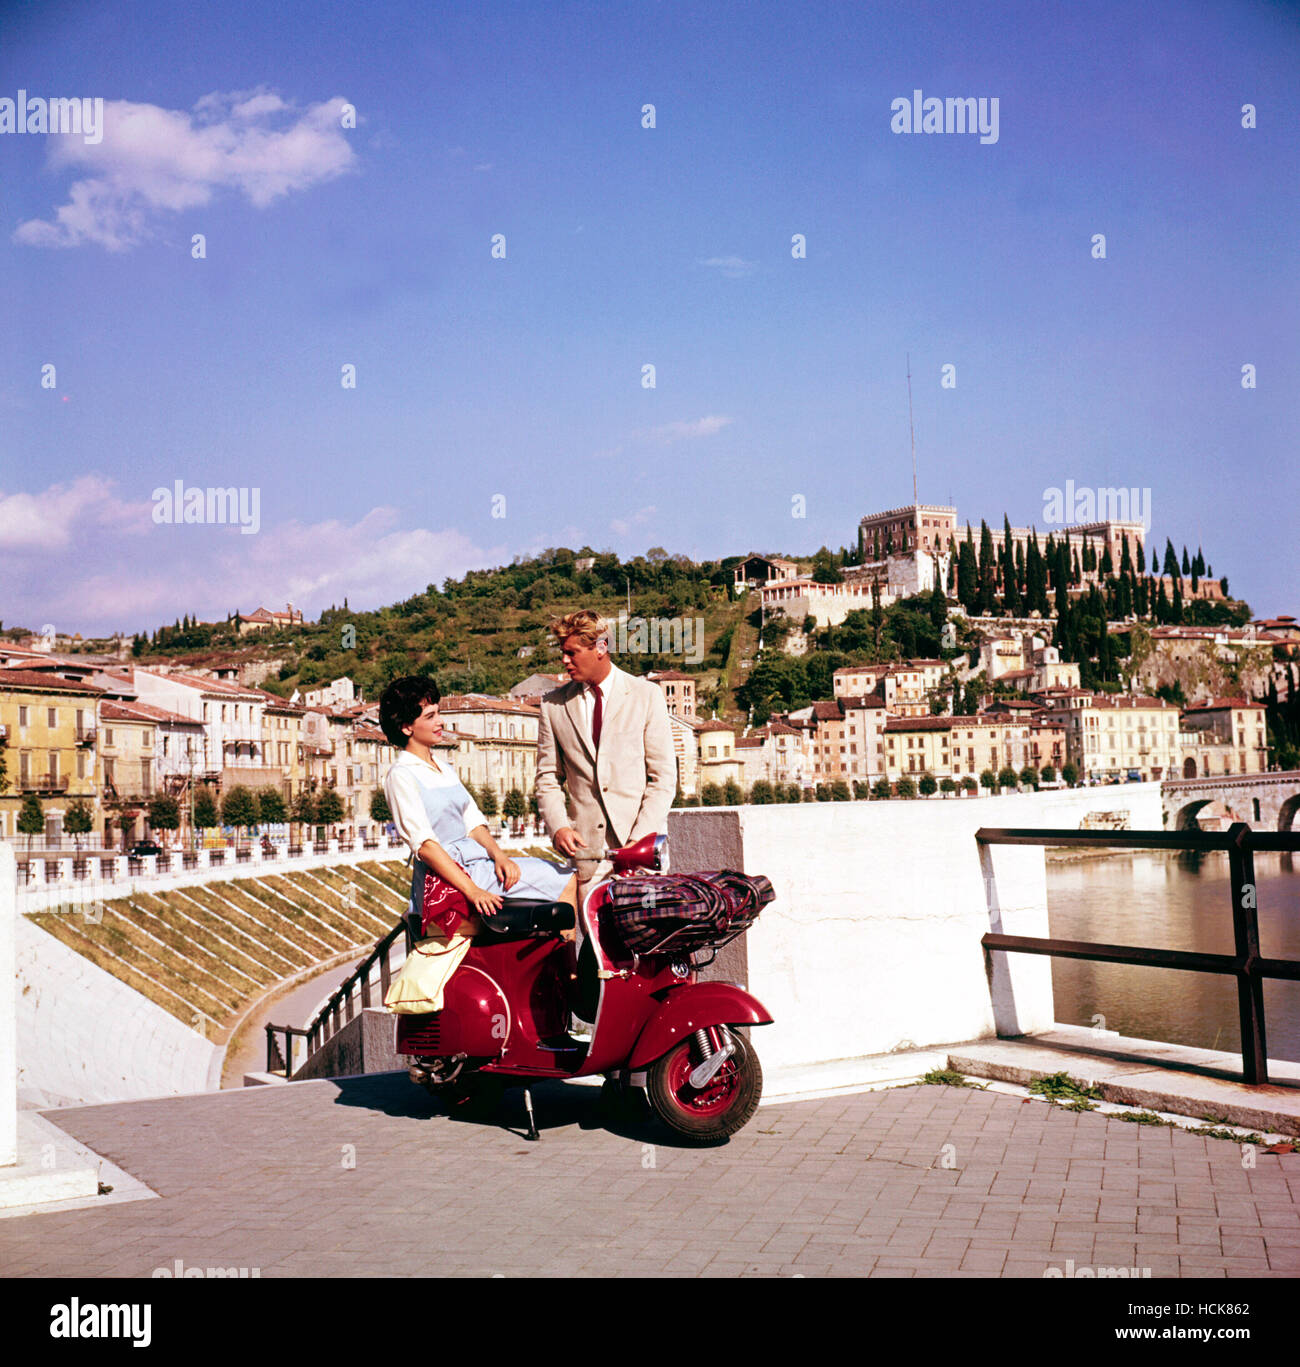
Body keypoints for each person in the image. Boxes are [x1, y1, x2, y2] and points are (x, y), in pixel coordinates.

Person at [379, 676, 578, 940]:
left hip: (479, 866)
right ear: (406, 728)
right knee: (568, 881)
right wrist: (473, 891)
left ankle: (565, 968)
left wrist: (500, 856)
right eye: (430, 717)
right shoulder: (401, 775)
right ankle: (573, 973)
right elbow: (425, 846)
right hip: (450, 877)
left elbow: (472, 821)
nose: (440, 722)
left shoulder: (444, 768)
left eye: (438, 713)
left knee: (565, 878)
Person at [535, 610, 676, 911]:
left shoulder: (646, 695)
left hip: (642, 856)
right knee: (597, 952)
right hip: (588, 857)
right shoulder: (553, 706)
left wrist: (638, 843)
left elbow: (663, 778)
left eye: (572, 653)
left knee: (646, 950)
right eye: (562, 653)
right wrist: (559, 826)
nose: (564, 661)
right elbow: (547, 776)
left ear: (600, 648)